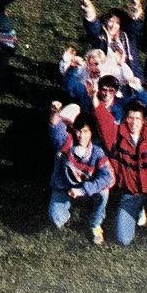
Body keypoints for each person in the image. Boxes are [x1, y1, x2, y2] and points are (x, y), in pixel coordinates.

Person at [93, 84, 147, 248]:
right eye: (131, 118)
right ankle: (140, 209)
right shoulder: (117, 136)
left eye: (138, 118)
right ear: (126, 118)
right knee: (123, 239)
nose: (134, 122)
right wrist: (95, 100)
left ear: (143, 120)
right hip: (131, 192)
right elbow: (103, 121)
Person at [47, 103, 114, 245]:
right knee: (56, 219)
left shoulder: (97, 152)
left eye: (85, 132)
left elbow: (107, 177)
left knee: (104, 192)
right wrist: (55, 113)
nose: (81, 135)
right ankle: (68, 212)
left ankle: (95, 223)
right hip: (64, 186)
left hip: (84, 188)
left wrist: (83, 190)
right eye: (78, 131)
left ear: (91, 133)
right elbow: (55, 129)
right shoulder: (67, 142)